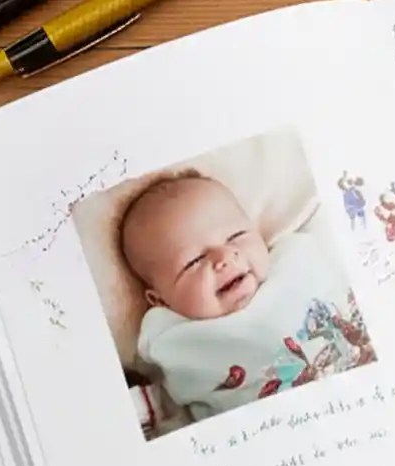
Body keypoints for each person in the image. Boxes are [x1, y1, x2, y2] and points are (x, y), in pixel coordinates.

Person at [120, 169, 375, 421]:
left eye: (236, 236)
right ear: (160, 300)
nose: (224, 257)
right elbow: (173, 403)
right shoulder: (175, 338)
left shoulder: (296, 262)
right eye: (193, 261)